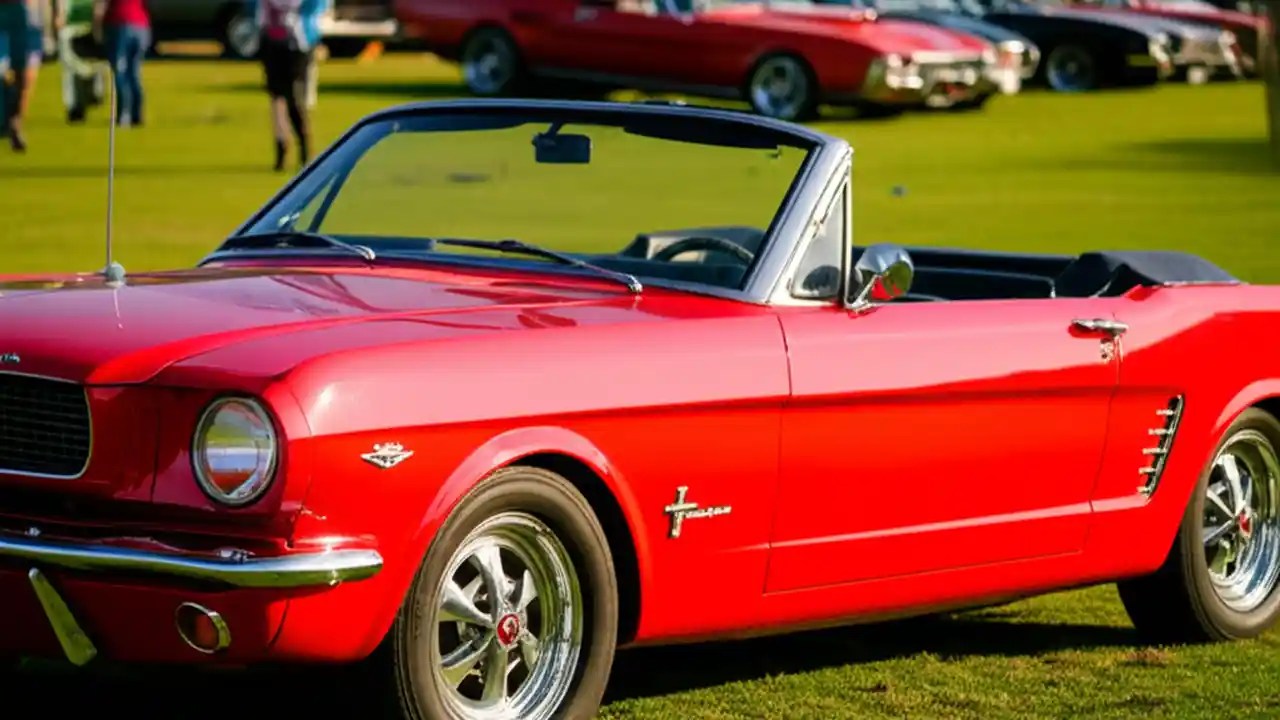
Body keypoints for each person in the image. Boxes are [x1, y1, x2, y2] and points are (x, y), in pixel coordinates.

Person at [248, 0, 330, 172]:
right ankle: (281, 146)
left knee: (294, 97)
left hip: (297, 43)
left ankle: (304, 147)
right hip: (272, 40)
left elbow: (319, 6)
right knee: (276, 96)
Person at [0, 0, 56, 152]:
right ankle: (8, 121)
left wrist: (48, 30)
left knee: (24, 76)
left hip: (26, 17)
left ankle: (15, 123)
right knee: (3, 73)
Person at [93, 0, 149, 127]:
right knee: (134, 73)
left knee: (120, 72)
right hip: (141, 26)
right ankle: (136, 114)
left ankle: (124, 114)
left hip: (120, 25)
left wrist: (97, 29)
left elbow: (100, 6)